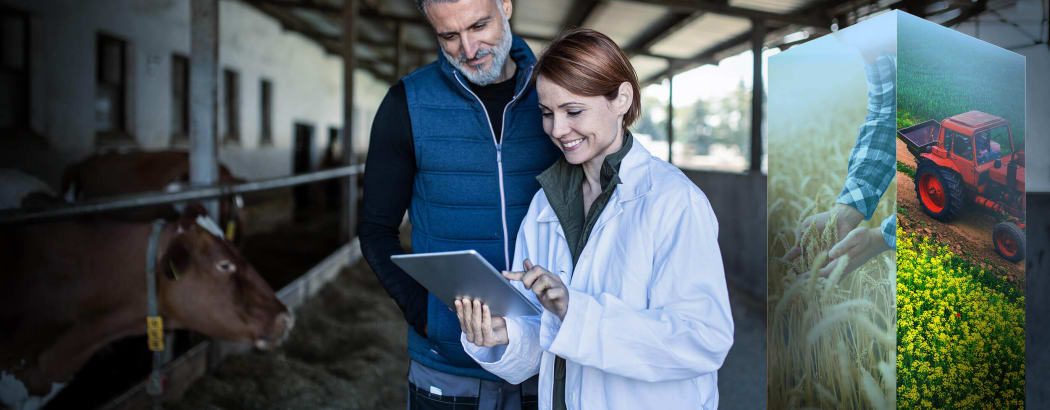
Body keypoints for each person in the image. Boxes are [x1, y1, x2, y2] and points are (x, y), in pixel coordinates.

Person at [452, 29, 735, 410]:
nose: (557, 129)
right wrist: (504, 335)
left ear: (622, 98)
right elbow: (546, 332)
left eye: (573, 111)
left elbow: (703, 339)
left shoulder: (674, 201)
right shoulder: (545, 206)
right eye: (548, 114)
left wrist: (575, 310)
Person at [358, 0, 560, 408]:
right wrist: (428, 316)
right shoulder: (407, 103)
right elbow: (376, 230)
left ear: (506, 5)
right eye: (449, 36)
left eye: (479, 26)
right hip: (450, 371)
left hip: (550, 358)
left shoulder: (555, 92)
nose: (468, 49)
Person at [784, 31, 897, 277]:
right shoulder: (876, 47)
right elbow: (886, 116)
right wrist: (846, 212)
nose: (870, 56)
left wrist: (881, 236)